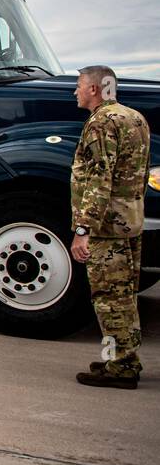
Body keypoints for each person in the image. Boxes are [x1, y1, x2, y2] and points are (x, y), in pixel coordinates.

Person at [71, 65, 150, 389]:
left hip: (107, 226)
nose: (74, 92)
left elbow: (99, 179)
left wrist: (82, 229)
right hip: (130, 219)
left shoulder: (101, 122)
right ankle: (125, 358)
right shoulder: (135, 118)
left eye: (78, 86)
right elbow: (141, 175)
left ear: (93, 89)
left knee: (108, 297)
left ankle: (120, 368)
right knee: (125, 295)